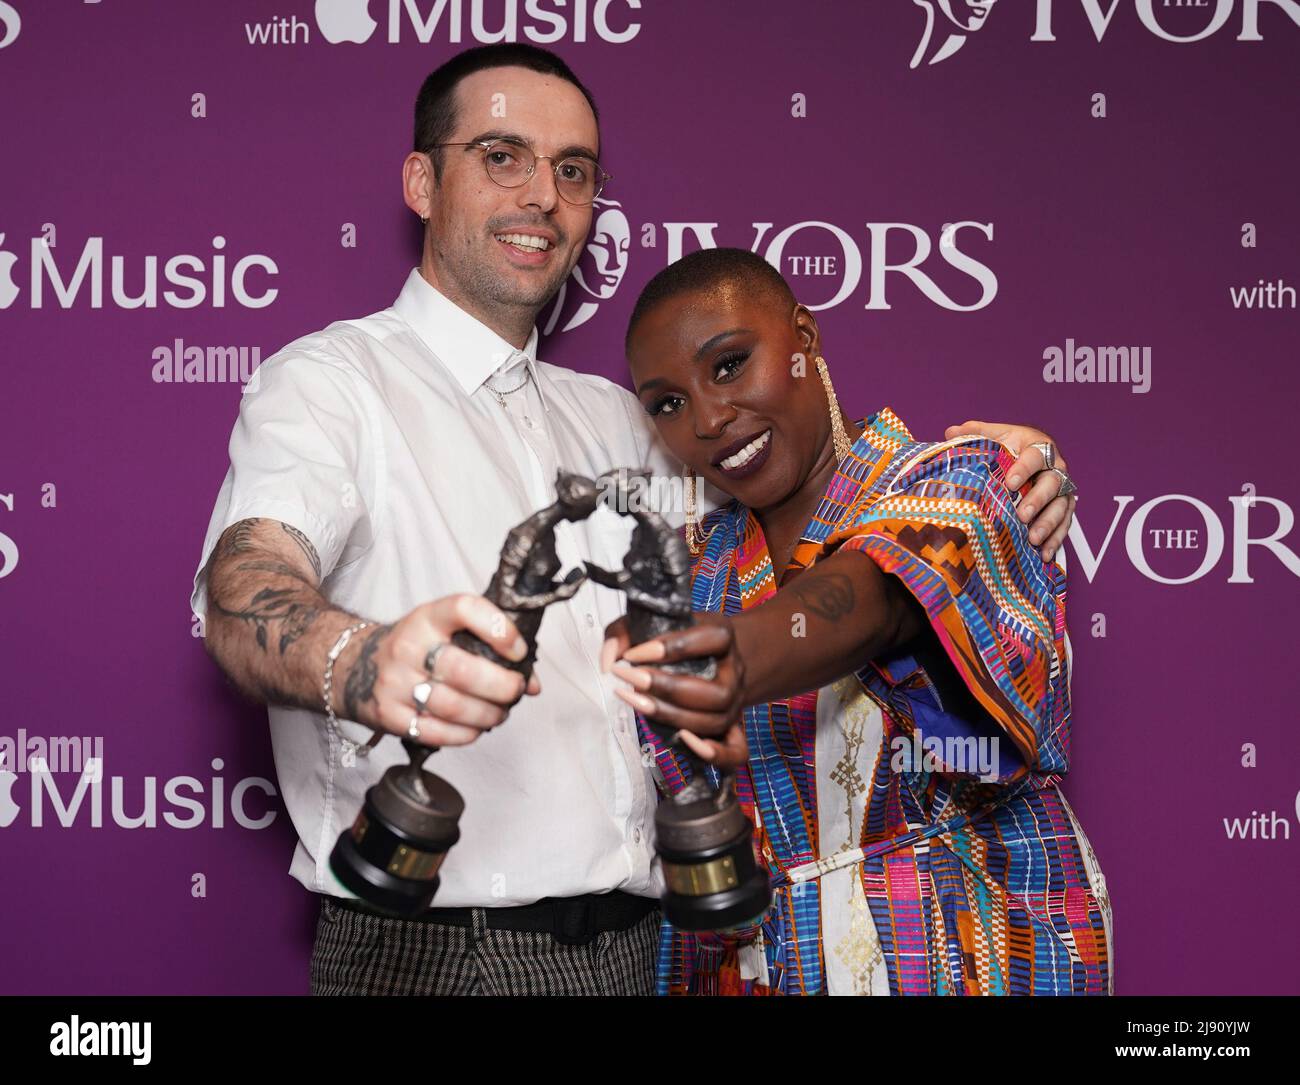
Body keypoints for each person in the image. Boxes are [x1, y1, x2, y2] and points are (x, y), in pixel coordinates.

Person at [191, 44, 1078, 996]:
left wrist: (1002, 479)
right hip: (446, 952)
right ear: (421, 180)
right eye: (502, 156)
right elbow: (245, 584)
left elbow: (818, 507)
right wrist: (359, 657)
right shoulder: (332, 382)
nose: (541, 195)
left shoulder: (622, 415)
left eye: (572, 170)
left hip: (654, 948)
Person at [604, 247, 1110, 996]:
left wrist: (720, 659)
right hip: (776, 966)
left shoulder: (961, 482)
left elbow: (878, 596)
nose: (709, 418)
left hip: (972, 952)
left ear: (803, 340)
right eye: (668, 403)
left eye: (731, 364)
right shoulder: (693, 574)